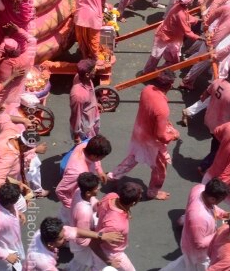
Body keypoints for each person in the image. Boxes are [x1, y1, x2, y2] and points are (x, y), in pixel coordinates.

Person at [109, 70, 179, 199]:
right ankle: (153, 192)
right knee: (160, 169)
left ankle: (113, 175)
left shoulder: (147, 90)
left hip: (139, 133)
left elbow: (151, 114)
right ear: (170, 85)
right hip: (152, 142)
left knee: (133, 157)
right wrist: (173, 136)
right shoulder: (162, 108)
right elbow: (161, 136)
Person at [159, 179, 230, 271]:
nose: (221, 202)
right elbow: (199, 244)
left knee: (185, 263)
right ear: (212, 198)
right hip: (198, 253)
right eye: (221, 200)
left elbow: (212, 207)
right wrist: (219, 232)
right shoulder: (199, 217)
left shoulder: (199, 189)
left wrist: (222, 213)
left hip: (189, 241)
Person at [25, 215, 120, 271]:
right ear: (51, 244)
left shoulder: (44, 234)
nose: (66, 238)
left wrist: (101, 235)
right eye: (62, 238)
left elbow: (76, 232)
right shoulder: (44, 262)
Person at [93, 179, 142, 271]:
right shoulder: (115, 225)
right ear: (133, 203)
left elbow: (97, 213)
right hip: (112, 253)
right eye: (140, 197)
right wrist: (109, 261)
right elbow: (94, 244)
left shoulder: (111, 196)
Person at [0, 181, 26, 271]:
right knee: (4, 268)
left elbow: (13, 207)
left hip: (12, 243)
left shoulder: (1, 199)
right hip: (5, 249)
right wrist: (6, 256)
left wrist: (19, 213)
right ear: (12, 202)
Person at [70, 58, 101, 143]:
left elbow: (90, 95)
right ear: (87, 74)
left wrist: (95, 104)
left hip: (92, 118)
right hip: (86, 128)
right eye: (94, 69)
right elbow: (75, 117)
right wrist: (77, 137)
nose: (96, 70)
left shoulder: (85, 78)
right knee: (87, 148)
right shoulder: (78, 95)